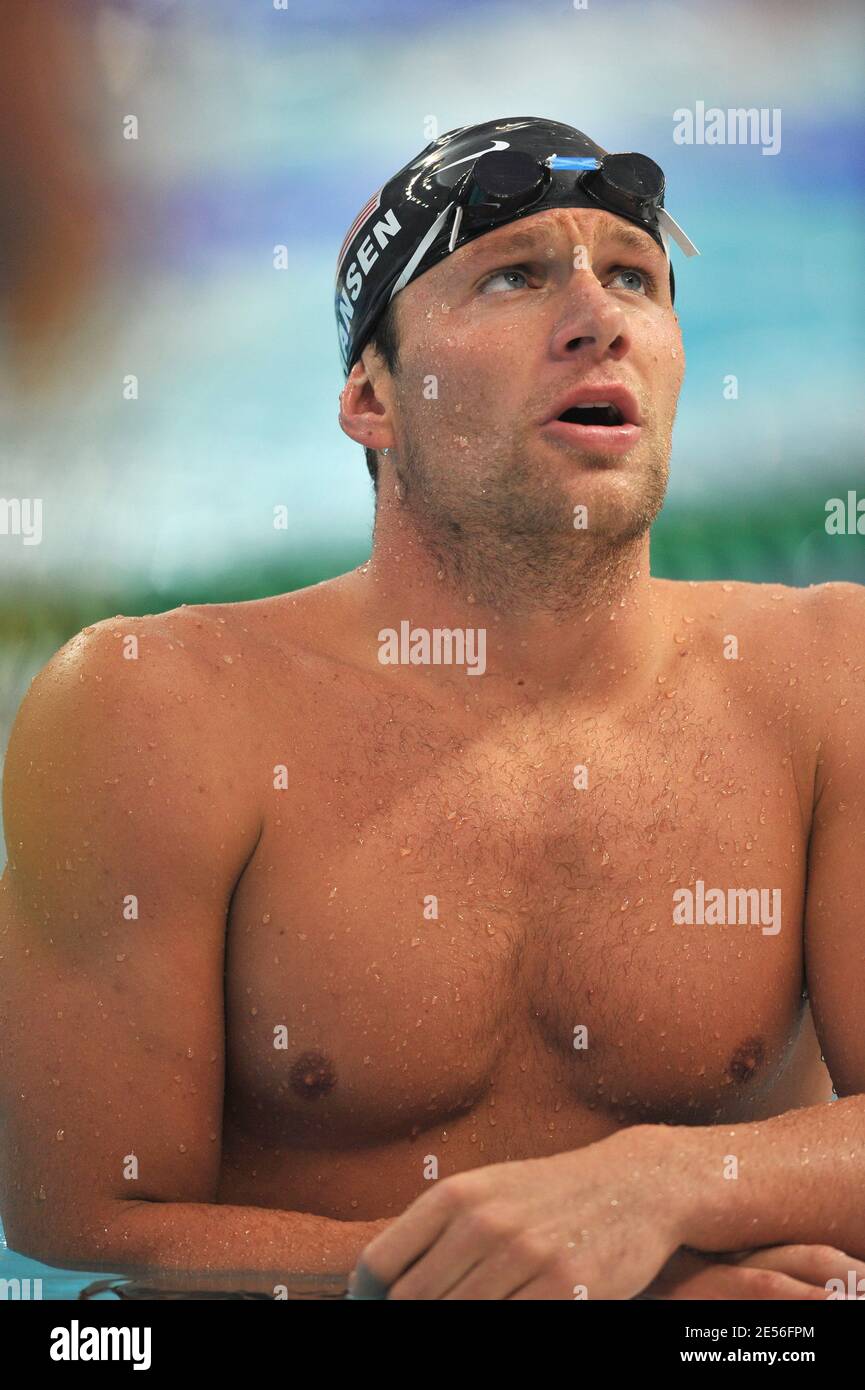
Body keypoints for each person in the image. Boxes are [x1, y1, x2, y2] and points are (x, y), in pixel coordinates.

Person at [1, 118, 863, 1301]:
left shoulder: (828, 674)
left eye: (633, 277)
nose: (596, 315)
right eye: (511, 276)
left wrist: (654, 1187)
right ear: (371, 398)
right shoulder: (154, 712)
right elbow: (88, 1220)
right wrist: (598, 1290)